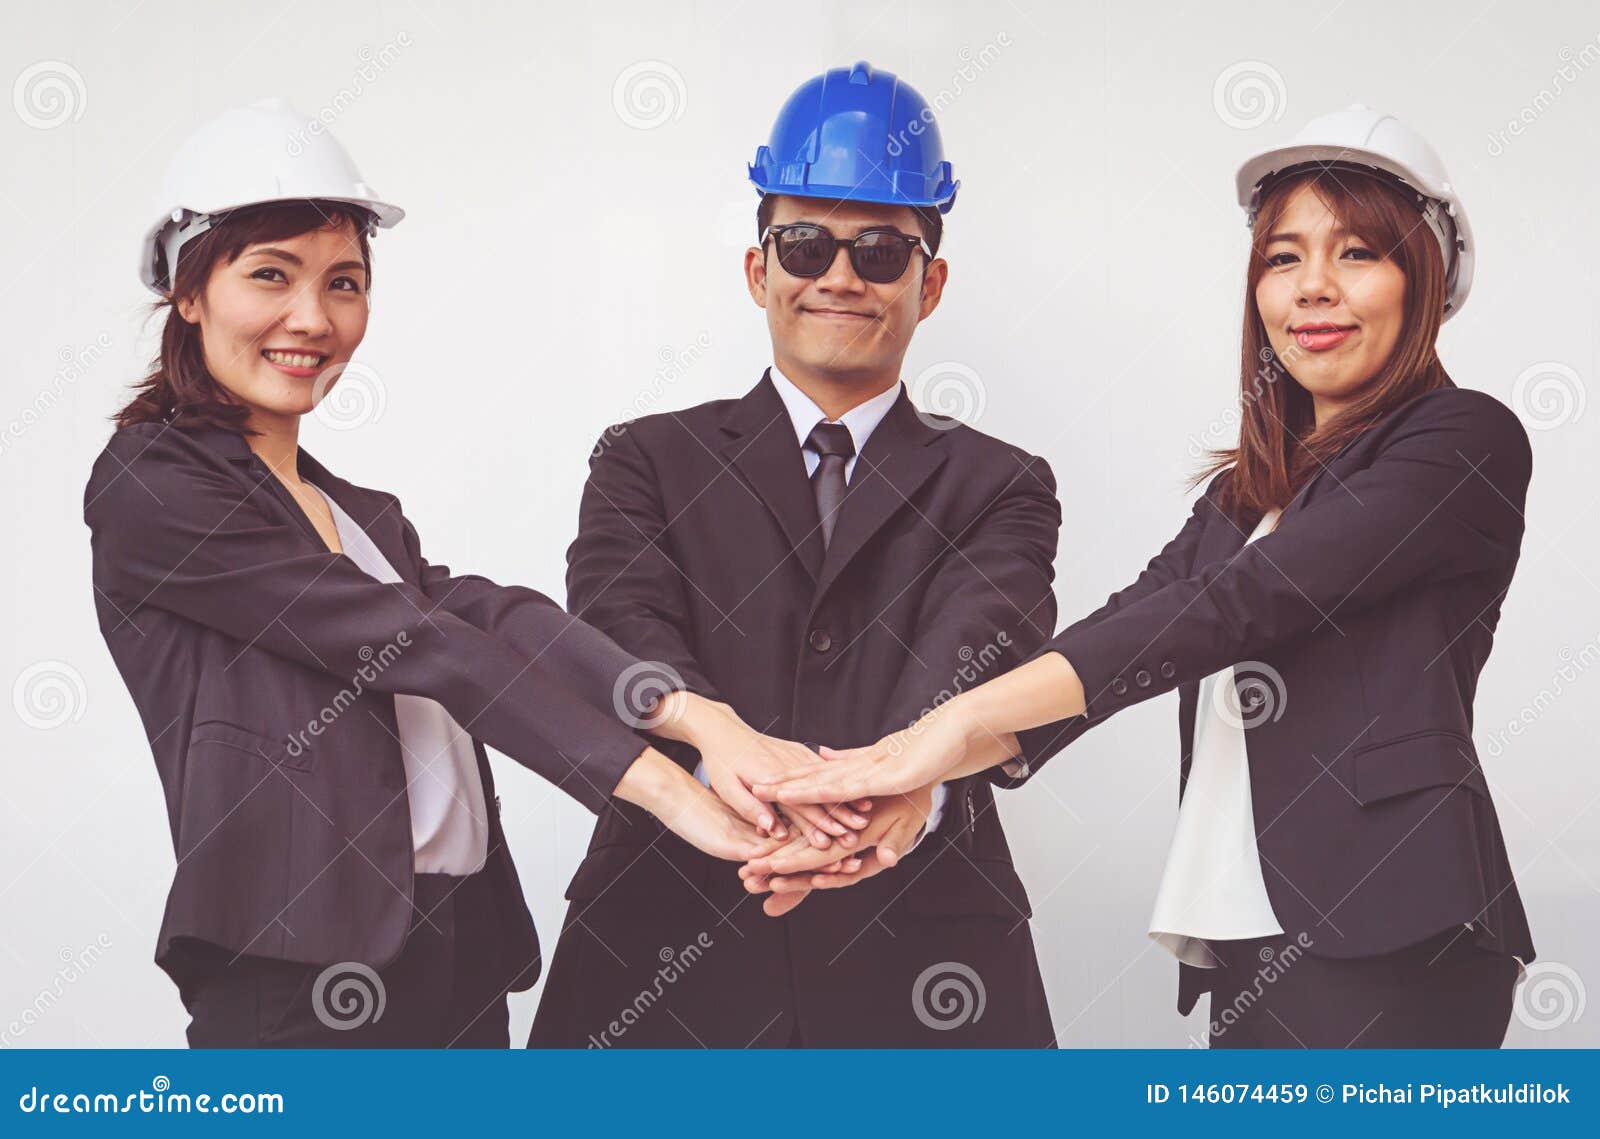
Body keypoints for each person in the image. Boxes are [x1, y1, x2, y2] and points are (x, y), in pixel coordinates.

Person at [752, 106, 1534, 1049]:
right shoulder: (1250, 495)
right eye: (1283, 259)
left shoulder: (1465, 441)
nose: (1312, 289)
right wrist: (927, 779)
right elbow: (1139, 625)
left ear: (1426, 278)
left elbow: (1240, 604)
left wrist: (942, 726)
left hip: (1389, 926)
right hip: (1246, 926)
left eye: (1358, 253)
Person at [84, 98, 789, 1048]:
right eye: (270, 276)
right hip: (302, 981)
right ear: (189, 292)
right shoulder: (154, 486)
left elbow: (502, 623)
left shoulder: (364, 518)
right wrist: (668, 793)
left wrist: (707, 722)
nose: (312, 317)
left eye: (343, 282)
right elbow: (423, 647)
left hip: (458, 960)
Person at [528, 62, 1061, 1048]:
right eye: (806, 244)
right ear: (757, 270)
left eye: (881, 252)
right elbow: (615, 625)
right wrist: (724, 743)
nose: (840, 277)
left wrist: (902, 781)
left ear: (929, 282)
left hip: (926, 948)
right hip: (663, 945)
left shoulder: (1000, 482)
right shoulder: (646, 457)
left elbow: (987, 641)